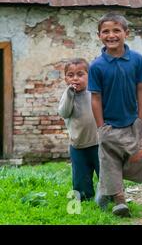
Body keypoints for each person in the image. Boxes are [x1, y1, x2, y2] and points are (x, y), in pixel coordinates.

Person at [88, 13, 142, 217]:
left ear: (126, 33)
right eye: (106, 31)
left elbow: (141, 89)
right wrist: (101, 127)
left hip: (132, 122)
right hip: (110, 125)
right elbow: (95, 98)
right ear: (99, 36)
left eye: (116, 30)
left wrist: (140, 119)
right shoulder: (97, 66)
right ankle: (119, 200)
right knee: (110, 161)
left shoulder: (137, 60)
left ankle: (105, 189)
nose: (111, 35)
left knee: (138, 157)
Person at [58, 58, 99, 201]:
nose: (75, 78)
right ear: (65, 79)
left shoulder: (95, 92)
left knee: (106, 173)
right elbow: (64, 112)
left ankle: (110, 196)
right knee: (81, 175)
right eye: (70, 75)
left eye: (80, 74)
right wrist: (70, 94)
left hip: (99, 142)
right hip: (78, 144)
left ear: (89, 75)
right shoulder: (68, 95)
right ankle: (84, 196)